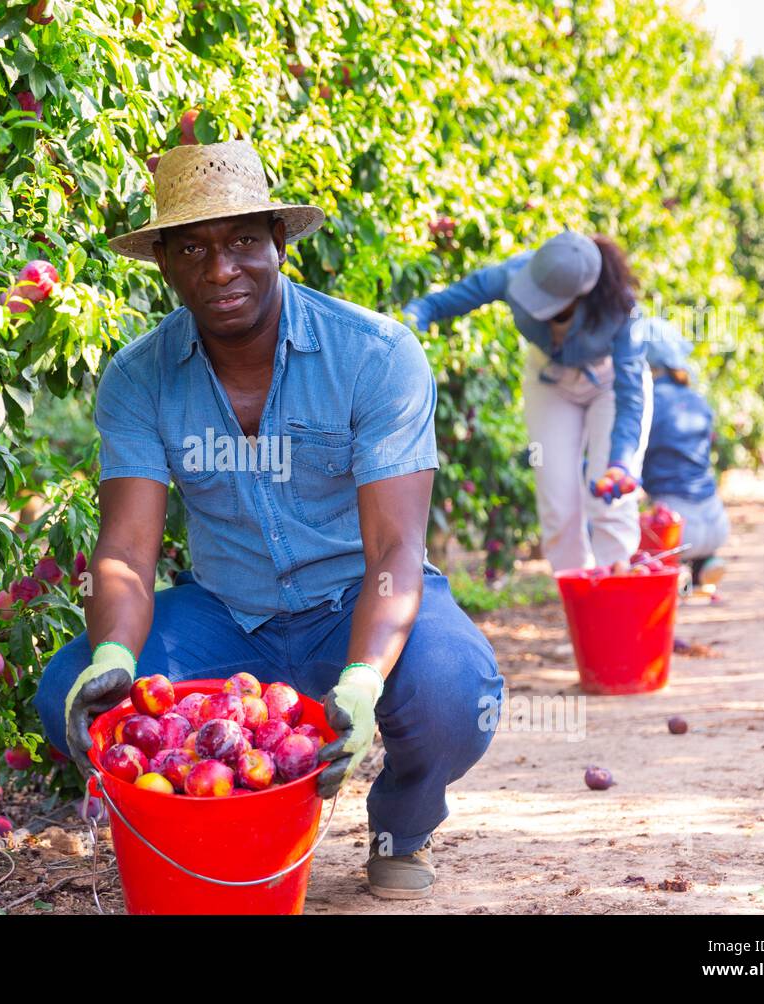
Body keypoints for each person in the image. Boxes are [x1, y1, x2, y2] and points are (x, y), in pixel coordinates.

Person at [33, 140, 503, 901]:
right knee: (71, 694)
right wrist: (114, 654)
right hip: (228, 611)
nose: (221, 270)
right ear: (164, 263)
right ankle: (216, 826)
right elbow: (124, 549)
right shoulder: (139, 378)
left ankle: (399, 829)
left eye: (244, 241)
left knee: (455, 690)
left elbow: (394, 546)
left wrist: (361, 676)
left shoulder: (376, 356)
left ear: (279, 243)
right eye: (193, 248)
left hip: (356, 597)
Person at [403, 232, 652, 572]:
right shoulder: (515, 273)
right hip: (549, 379)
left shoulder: (621, 308)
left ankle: (618, 589)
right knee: (556, 500)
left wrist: (621, 460)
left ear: (581, 295)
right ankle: (575, 594)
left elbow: (631, 392)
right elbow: (448, 300)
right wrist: (414, 316)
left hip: (609, 384)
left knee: (609, 497)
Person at [637, 317, 729, 588]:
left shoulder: (646, 403)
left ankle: (670, 569)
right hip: (715, 518)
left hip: (675, 526)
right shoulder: (696, 400)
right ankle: (704, 565)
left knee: (625, 521)